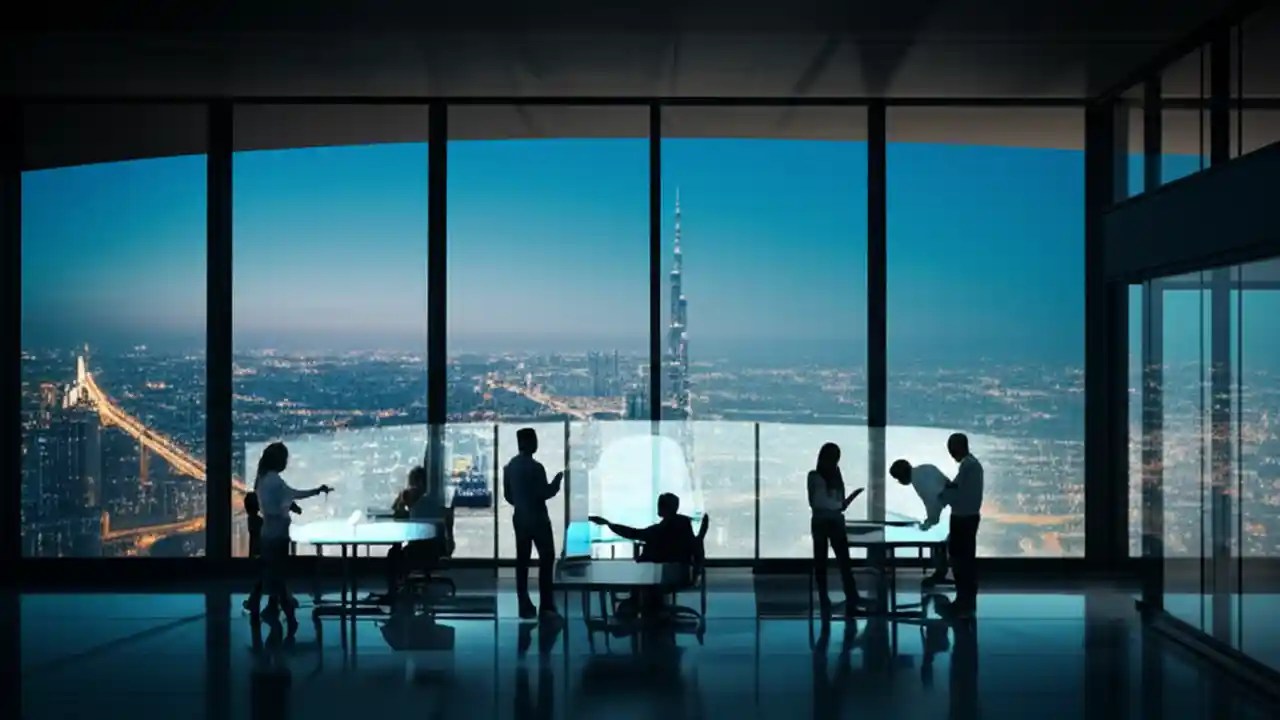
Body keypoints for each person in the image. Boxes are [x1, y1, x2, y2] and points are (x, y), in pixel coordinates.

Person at [253, 442, 331, 625]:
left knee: (271, 572)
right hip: (277, 535)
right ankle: (289, 615)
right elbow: (291, 495)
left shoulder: (264, 479)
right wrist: (315, 492)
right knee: (279, 575)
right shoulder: (275, 481)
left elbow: (284, 498)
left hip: (268, 534)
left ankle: (270, 607)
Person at [503, 428, 562, 619]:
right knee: (547, 557)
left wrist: (522, 502)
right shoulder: (536, 468)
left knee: (522, 560)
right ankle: (546, 603)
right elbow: (544, 493)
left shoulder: (509, 467)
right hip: (538, 518)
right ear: (529, 443)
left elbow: (508, 496)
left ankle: (524, 603)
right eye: (534, 440)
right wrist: (557, 482)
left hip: (520, 517)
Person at [807, 443, 867, 616]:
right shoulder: (817, 476)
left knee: (839, 560)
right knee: (829, 561)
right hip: (827, 521)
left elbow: (824, 502)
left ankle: (848, 594)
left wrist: (841, 504)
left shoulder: (825, 475)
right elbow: (821, 502)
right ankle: (831, 596)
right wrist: (842, 504)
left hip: (827, 521)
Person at [589, 493, 706, 565]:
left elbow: (634, 533)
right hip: (680, 574)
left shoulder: (660, 529)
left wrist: (609, 524)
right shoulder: (684, 524)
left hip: (660, 575)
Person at [889, 458, 953, 586]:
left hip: (954, 508)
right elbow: (946, 485)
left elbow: (932, 500)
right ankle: (941, 573)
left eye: (898, 478)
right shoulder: (926, 467)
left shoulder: (918, 482)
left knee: (943, 544)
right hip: (955, 503)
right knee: (946, 545)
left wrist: (931, 521)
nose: (899, 481)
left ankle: (942, 574)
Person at [940, 433, 984, 618]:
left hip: (962, 517)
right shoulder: (972, 466)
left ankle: (962, 601)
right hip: (969, 516)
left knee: (960, 560)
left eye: (952, 449)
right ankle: (966, 599)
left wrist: (942, 495)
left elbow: (957, 493)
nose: (951, 454)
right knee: (966, 559)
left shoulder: (968, 467)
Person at [243, 492, 303, 614]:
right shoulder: (259, 522)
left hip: (259, 555)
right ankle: (284, 603)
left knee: (263, 581)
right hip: (265, 554)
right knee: (277, 579)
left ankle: (256, 603)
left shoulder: (253, 520)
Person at [384, 466, 428, 599]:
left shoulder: (426, 501)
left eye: (413, 482)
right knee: (396, 551)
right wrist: (402, 500)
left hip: (426, 545)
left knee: (395, 554)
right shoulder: (414, 498)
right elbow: (395, 513)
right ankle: (397, 588)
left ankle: (394, 591)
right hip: (420, 542)